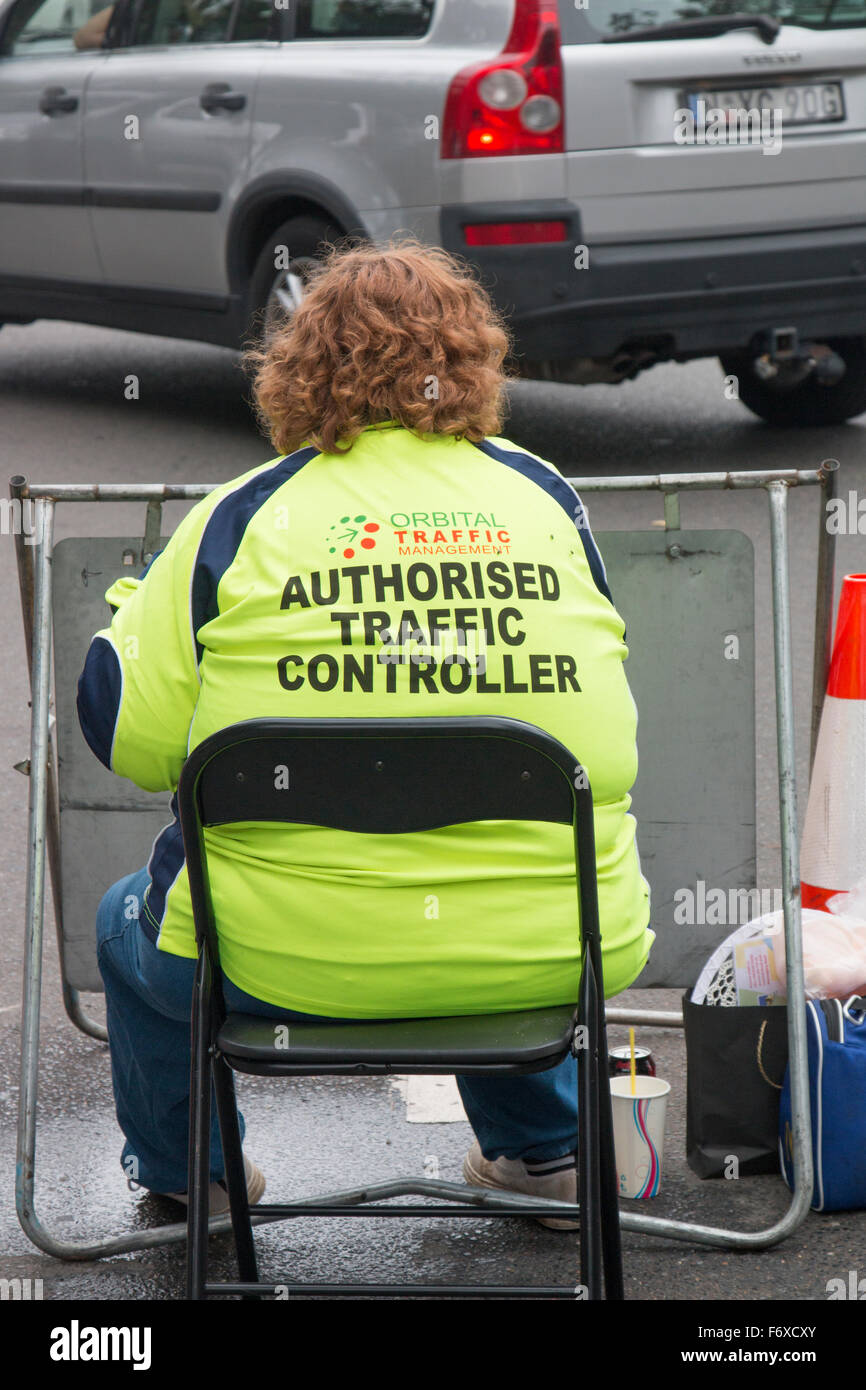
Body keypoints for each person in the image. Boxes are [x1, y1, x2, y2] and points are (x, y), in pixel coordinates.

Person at [77, 238, 652, 1230]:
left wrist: (139, 606)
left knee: (132, 917)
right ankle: (548, 1156)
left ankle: (193, 1180)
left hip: (278, 956)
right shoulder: (542, 495)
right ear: (473, 362)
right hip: (555, 952)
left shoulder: (241, 518)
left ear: (297, 370)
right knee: (491, 852)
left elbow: (131, 736)